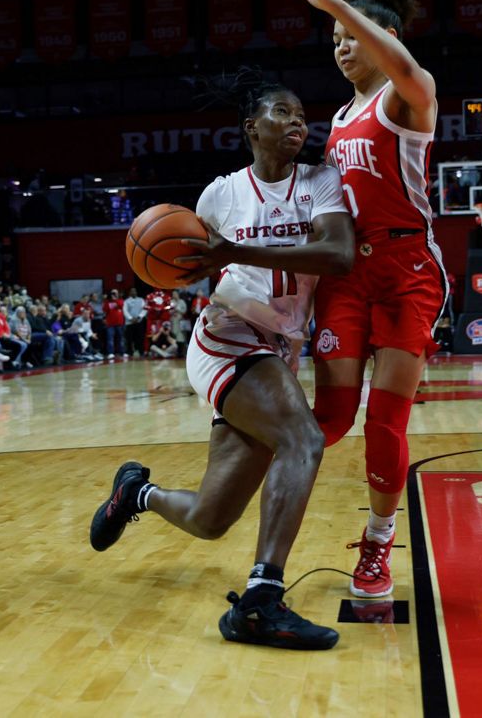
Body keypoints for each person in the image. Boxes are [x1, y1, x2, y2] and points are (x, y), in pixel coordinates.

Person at [88, 72, 354, 650]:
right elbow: (196, 267)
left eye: (301, 113)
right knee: (303, 440)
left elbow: (339, 255)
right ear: (251, 127)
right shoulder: (219, 195)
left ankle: (137, 494)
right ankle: (261, 600)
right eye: (281, 112)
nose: (296, 122)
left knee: (211, 520)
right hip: (229, 340)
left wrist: (237, 251)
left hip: (279, 349)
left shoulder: (321, 181)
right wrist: (211, 272)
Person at [276, 0, 447, 599]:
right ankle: (251, 496)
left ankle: (377, 546)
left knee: (384, 421)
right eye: (336, 39)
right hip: (349, 276)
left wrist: (333, 0)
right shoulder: (339, 123)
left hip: (407, 272)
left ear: (387, 40)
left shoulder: (410, 96)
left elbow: (406, 67)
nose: (342, 45)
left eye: (352, 35)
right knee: (332, 416)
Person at [122, 288, 147, 357]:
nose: (133, 292)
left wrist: (139, 317)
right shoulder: (126, 301)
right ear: (130, 292)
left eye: (134, 291)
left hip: (139, 322)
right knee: (129, 338)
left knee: (140, 338)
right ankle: (129, 352)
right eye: (132, 291)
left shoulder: (141, 300)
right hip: (129, 323)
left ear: (136, 292)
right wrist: (130, 318)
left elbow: (145, 309)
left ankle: (141, 351)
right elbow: (125, 311)